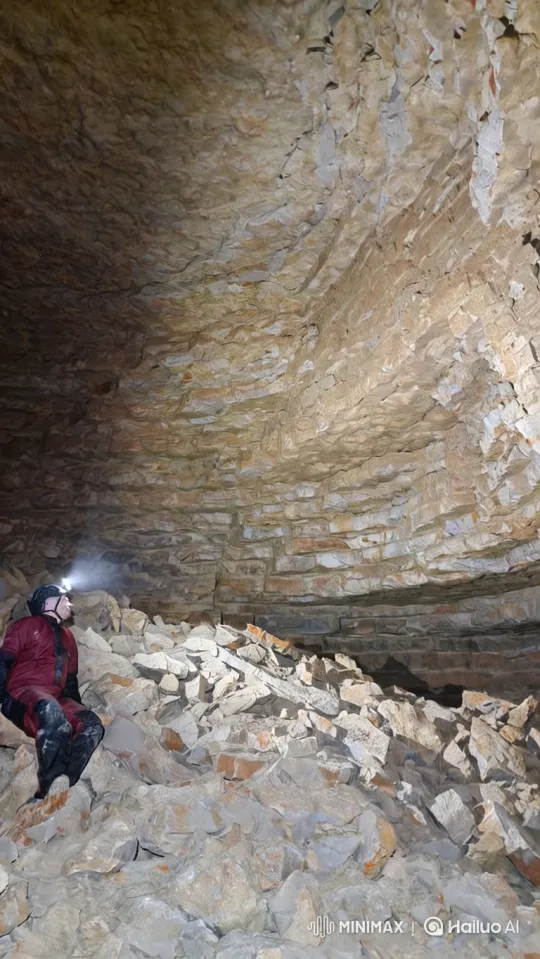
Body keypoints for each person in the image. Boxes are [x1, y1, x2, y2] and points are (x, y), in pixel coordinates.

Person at [0, 584, 104, 806]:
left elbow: (70, 682)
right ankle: (46, 796)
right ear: (48, 602)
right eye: (64, 599)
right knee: (52, 712)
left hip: (54, 698)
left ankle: (66, 783)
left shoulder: (68, 637)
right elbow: (4, 662)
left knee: (92, 724)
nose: (70, 604)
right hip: (21, 692)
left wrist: (77, 712)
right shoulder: (26, 625)